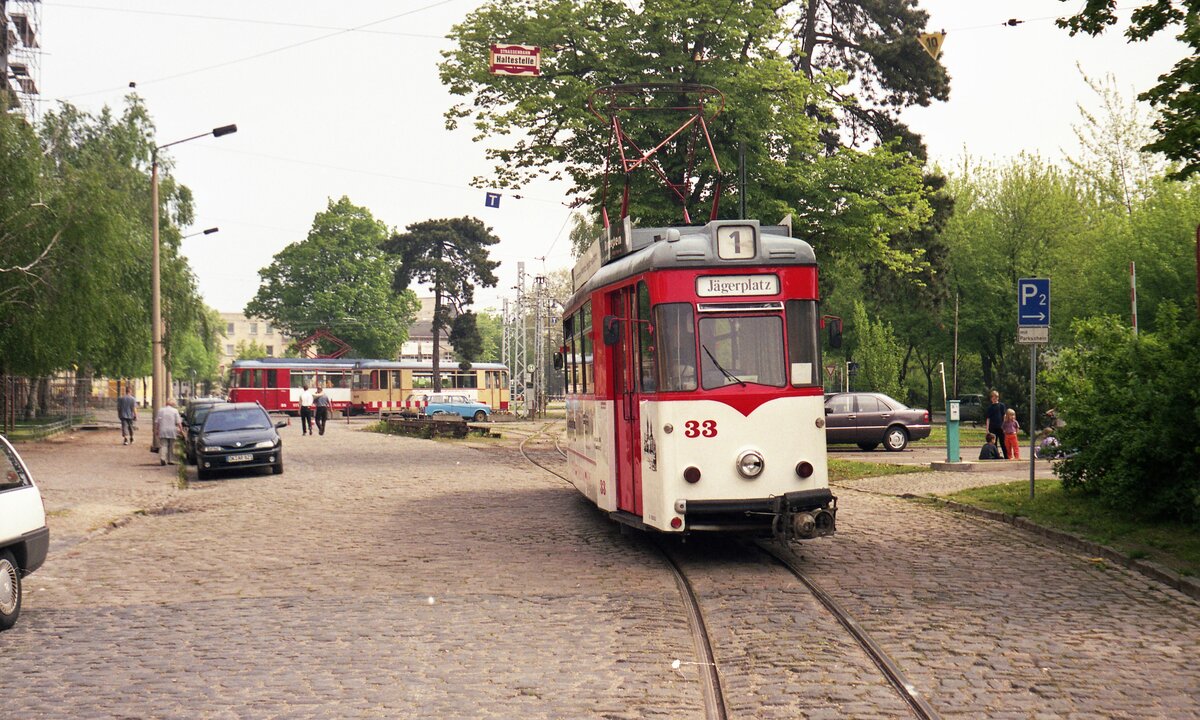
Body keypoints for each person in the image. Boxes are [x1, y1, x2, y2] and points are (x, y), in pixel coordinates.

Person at [154, 398, 185, 466]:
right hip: (172, 430)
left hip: (163, 430)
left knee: (164, 445)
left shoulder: (161, 410)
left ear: (166, 403)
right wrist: (181, 430)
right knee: (171, 445)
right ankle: (170, 460)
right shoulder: (175, 411)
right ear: (173, 404)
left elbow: (157, 421)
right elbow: (178, 422)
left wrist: (156, 430)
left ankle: (163, 458)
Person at [984, 390, 1009, 459]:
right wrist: (987, 429)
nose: (995, 399)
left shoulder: (1001, 405)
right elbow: (988, 418)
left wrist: (1004, 425)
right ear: (991, 398)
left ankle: (1006, 456)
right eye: (993, 398)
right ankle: (996, 456)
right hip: (992, 427)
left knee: (1003, 442)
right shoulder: (990, 408)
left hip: (1001, 427)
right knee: (994, 443)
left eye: (996, 397)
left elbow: (1004, 416)